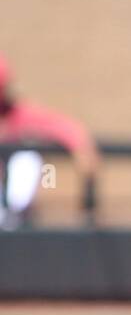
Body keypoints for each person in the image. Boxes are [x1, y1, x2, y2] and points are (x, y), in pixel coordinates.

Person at [0, 53, 99, 228]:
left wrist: (81, 147)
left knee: (27, 155)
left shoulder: (18, 114)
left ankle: (10, 220)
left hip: (10, 209)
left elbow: (68, 128)